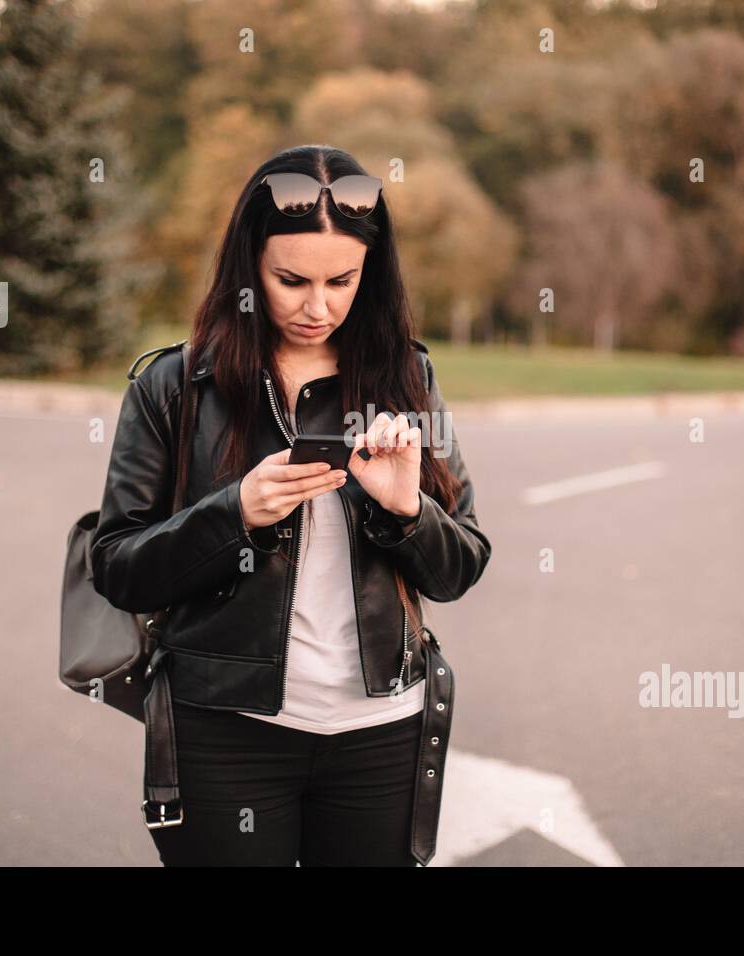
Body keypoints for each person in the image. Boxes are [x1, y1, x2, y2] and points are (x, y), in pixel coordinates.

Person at [90, 144, 491, 865]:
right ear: (249, 267)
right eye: (290, 280)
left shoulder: (408, 376)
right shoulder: (174, 387)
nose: (318, 306)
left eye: (342, 280)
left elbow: (459, 568)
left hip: (383, 733)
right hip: (226, 733)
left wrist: (407, 512)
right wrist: (231, 512)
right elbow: (118, 568)